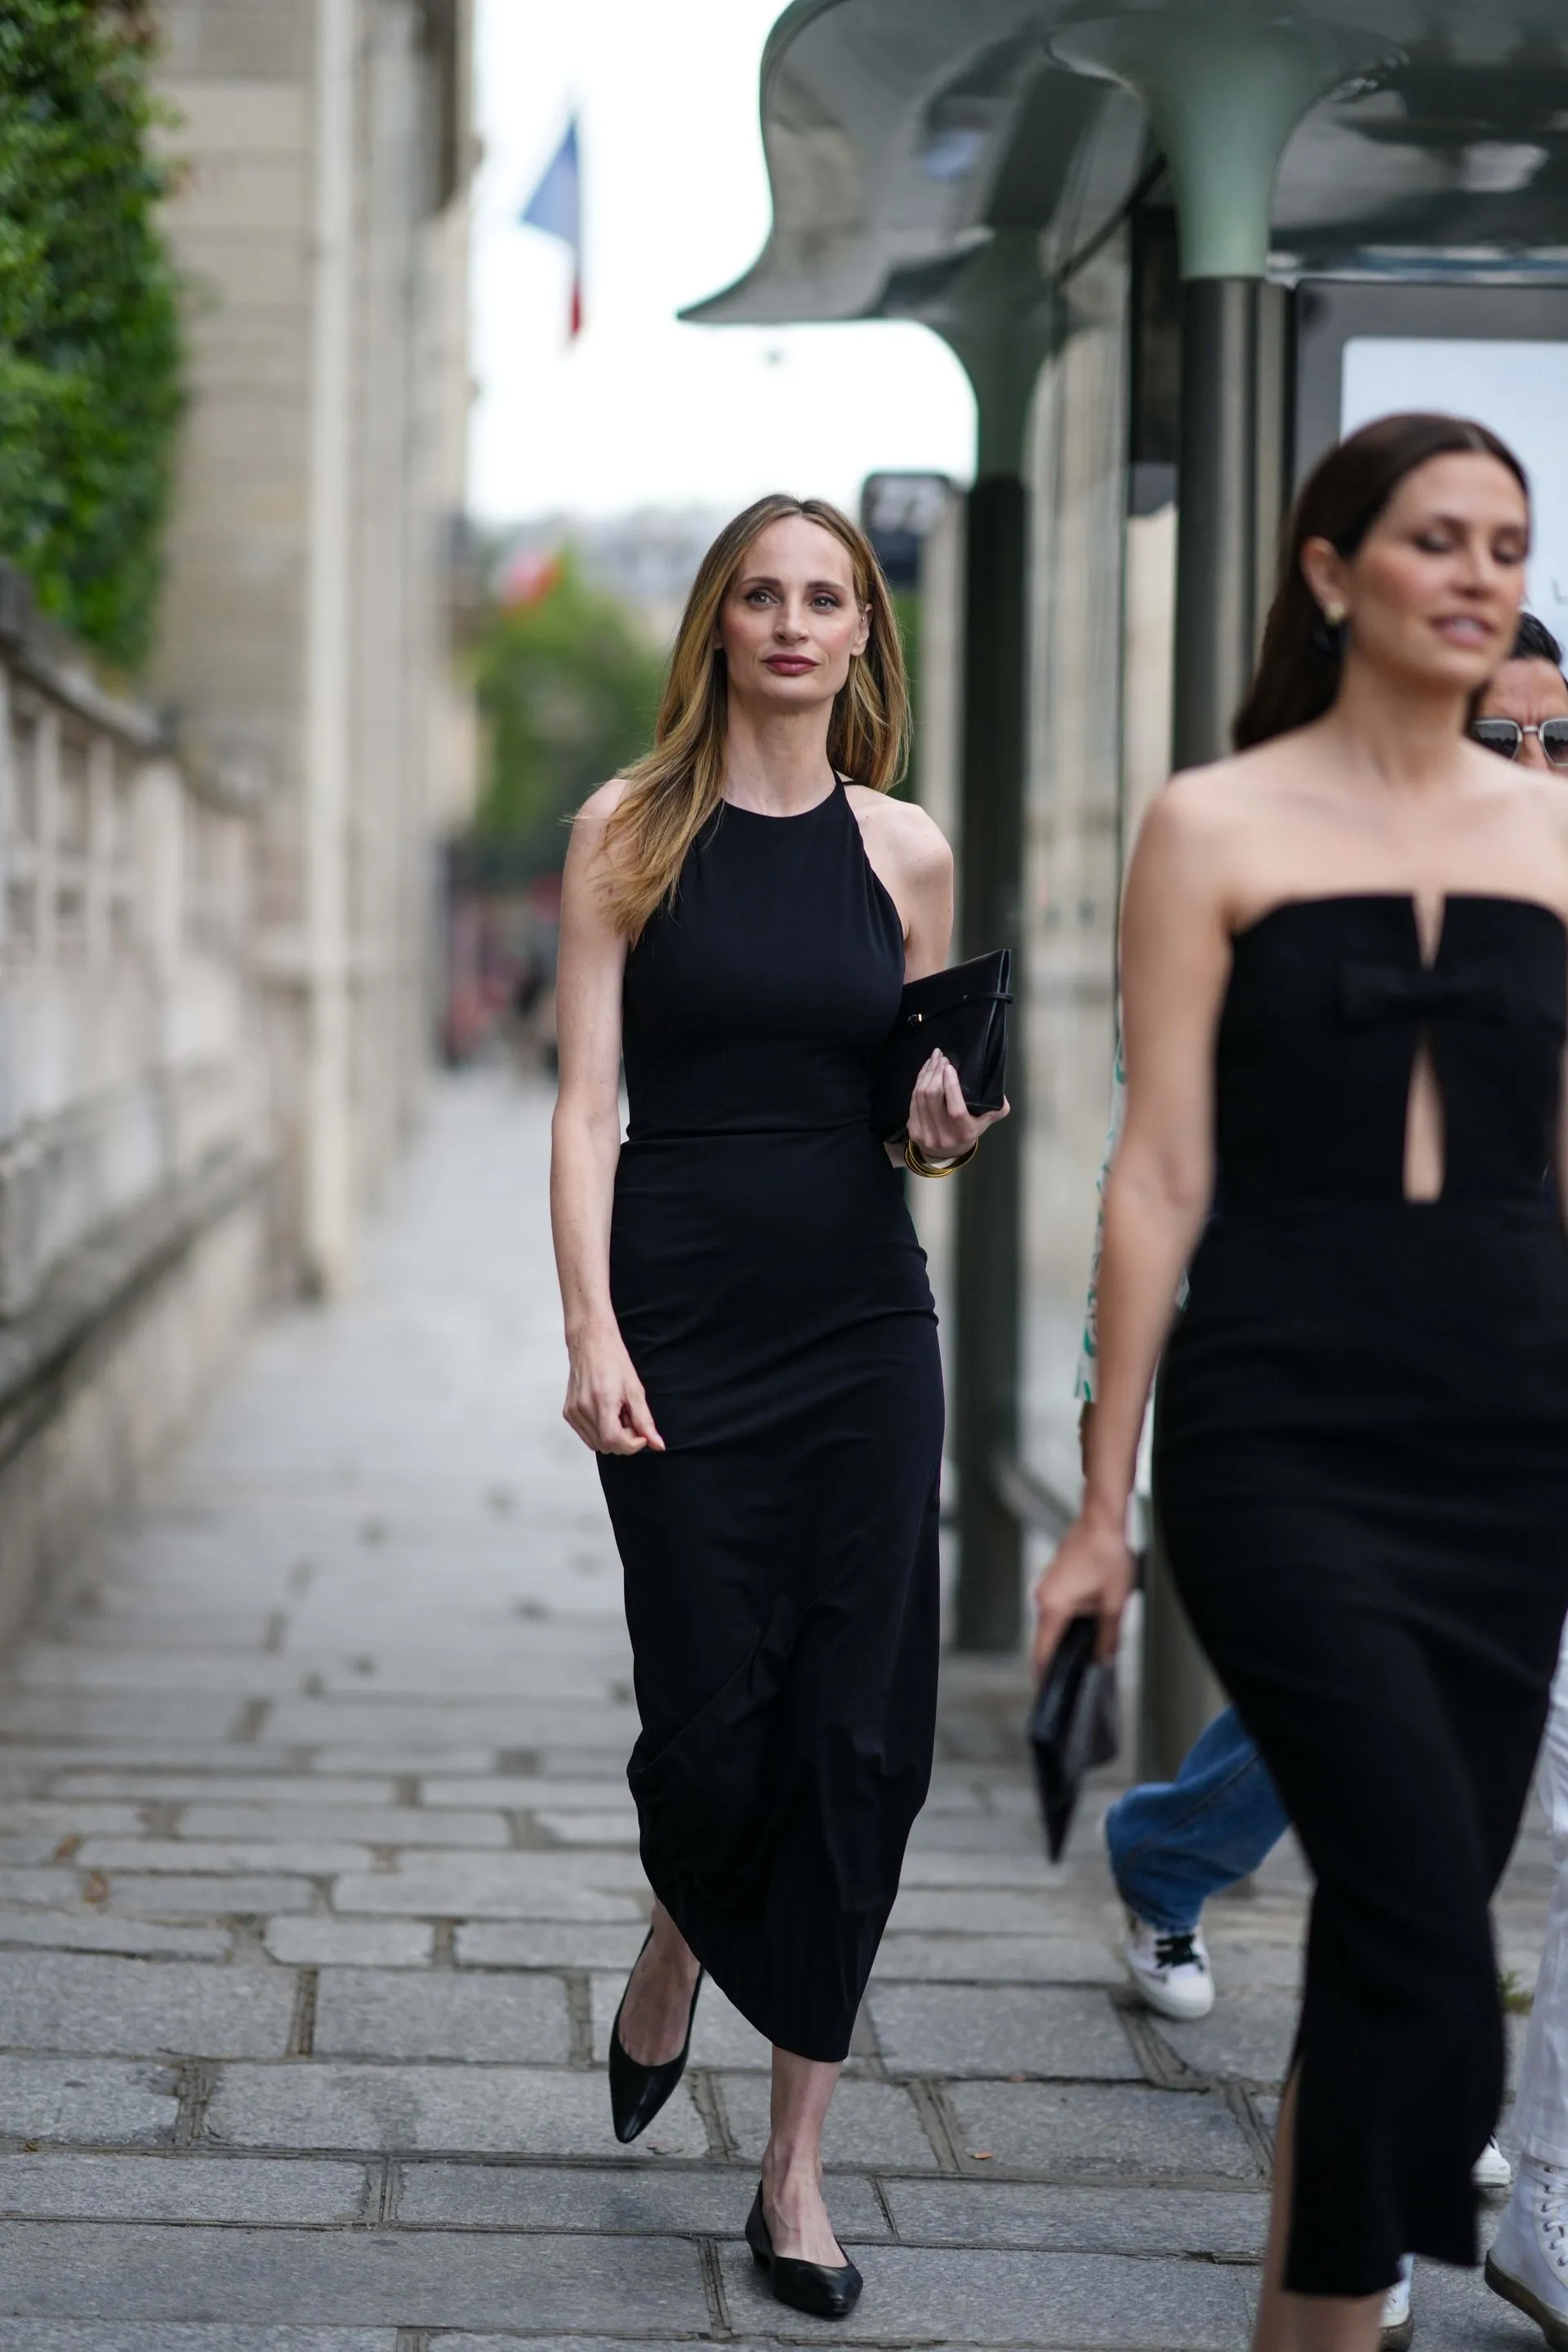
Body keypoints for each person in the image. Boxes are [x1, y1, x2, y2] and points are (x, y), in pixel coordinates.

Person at [1033, 412, 1568, 2352]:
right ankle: (1440, 2191)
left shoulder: (1559, 837)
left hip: (1511, 1422)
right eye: (1436, 537)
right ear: (1332, 573)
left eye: (1505, 541)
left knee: (1381, 1940)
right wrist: (1102, 1514)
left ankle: (1319, 2330)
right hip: (1279, 1421)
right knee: (1427, 1910)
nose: (1481, 572)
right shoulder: (1219, 824)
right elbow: (1159, 1171)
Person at [550, 493, 1004, 2322]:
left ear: (866, 632)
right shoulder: (625, 831)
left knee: (857, 1730)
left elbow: (921, 1101)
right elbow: (587, 1106)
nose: (796, 624)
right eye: (764, 594)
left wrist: (948, 1127)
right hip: (680, 1307)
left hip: (860, 1322)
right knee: (718, 1715)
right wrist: (590, 1332)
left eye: (829, 597)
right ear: (720, 626)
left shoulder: (909, 853)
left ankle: (796, 2173)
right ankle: (683, 1925)